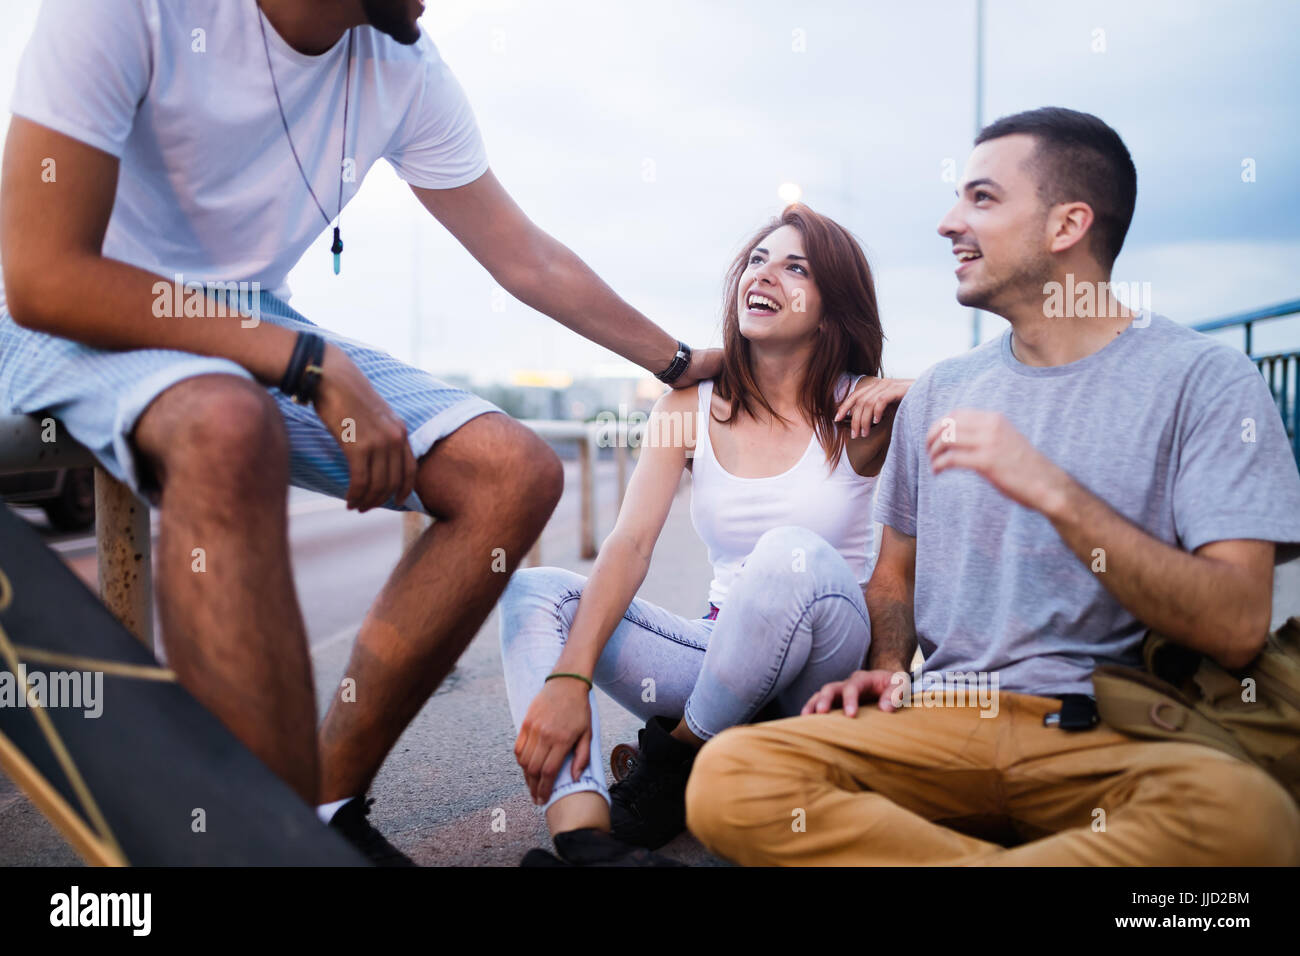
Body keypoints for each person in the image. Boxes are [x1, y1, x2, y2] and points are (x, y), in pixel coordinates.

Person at [0, 0, 722, 865]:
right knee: (229, 427)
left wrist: (677, 361)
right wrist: (304, 361)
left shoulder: (400, 65)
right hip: (83, 314)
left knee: (515, 472)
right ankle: (247, 850)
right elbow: (42, 275)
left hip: (252, 322)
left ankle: (318, 817)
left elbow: (524, 255)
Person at [685, 107, 1300, 865]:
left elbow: (1237, 623)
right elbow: (893, 579)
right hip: (939, 719)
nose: (949, 223)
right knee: (731, 777)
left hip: (1113, 729)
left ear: (1067, 224)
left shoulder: (1206, 382)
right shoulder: (943, 390)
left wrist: (1054, 490)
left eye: (981, 198)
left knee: (1250, 822)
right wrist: (881, 673)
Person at [497, 204, 913, 866]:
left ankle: (675, 759)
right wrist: (569, 677)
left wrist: (917, 390)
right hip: (719, 654)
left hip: (826, 665)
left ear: (834, 309)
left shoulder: (862, 410)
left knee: (787, 553)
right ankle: (584, 839)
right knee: (534, 592)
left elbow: (991, 412)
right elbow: (630, 545)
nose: (765, 274)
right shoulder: (687, 406)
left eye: (795, 267)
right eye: (757, 260)